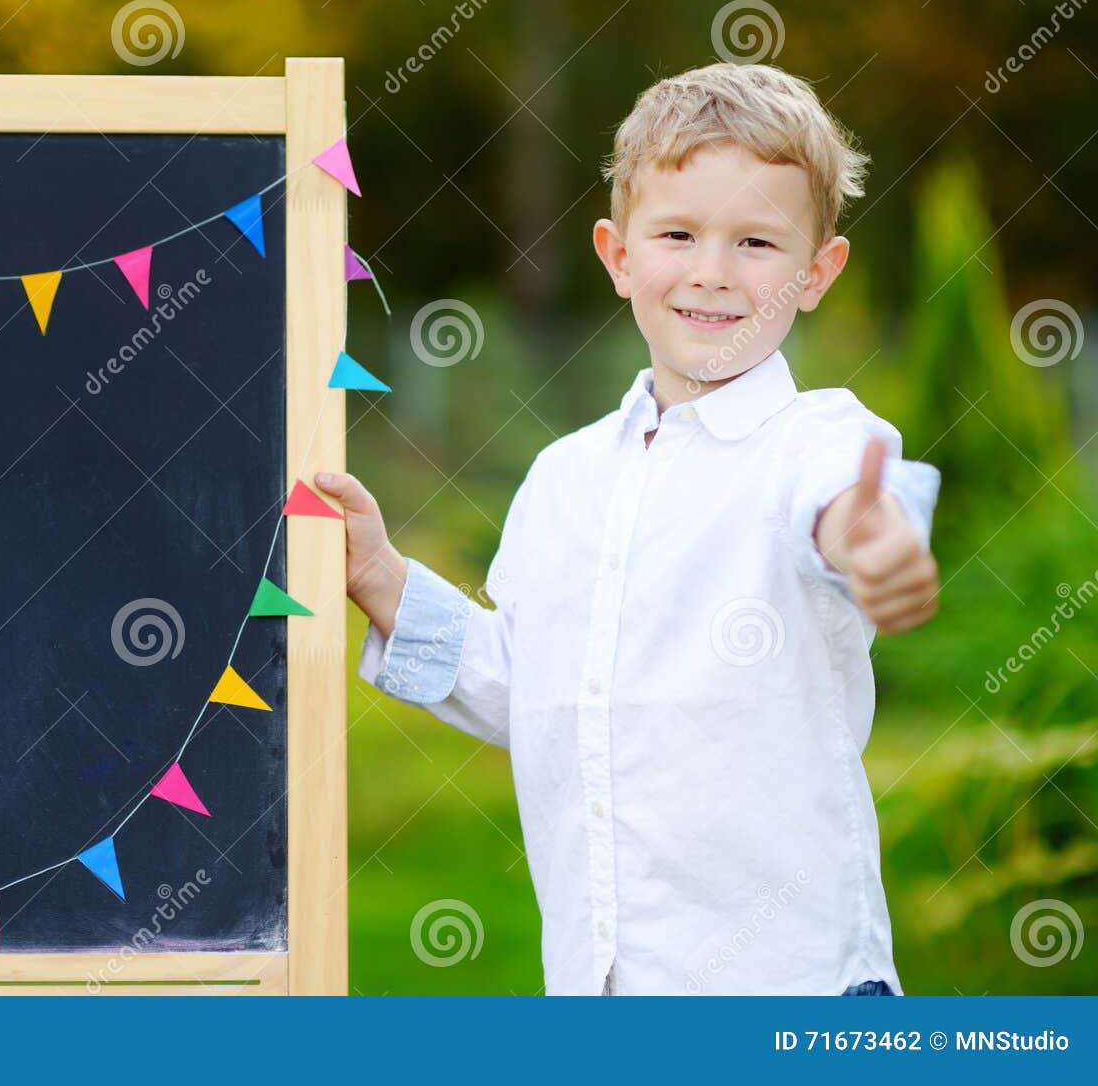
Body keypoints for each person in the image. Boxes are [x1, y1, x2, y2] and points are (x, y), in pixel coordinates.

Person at [316, 62, 941, 995]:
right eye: (678, 234)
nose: (712, 273)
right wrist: (383, 581)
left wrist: (873, 543)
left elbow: (846, 506)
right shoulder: (563, 478)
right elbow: (531, 689)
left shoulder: (815, 440)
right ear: (616, 255)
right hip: (602, 985)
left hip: (791, 988)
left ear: (817, 273)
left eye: (758, 243)